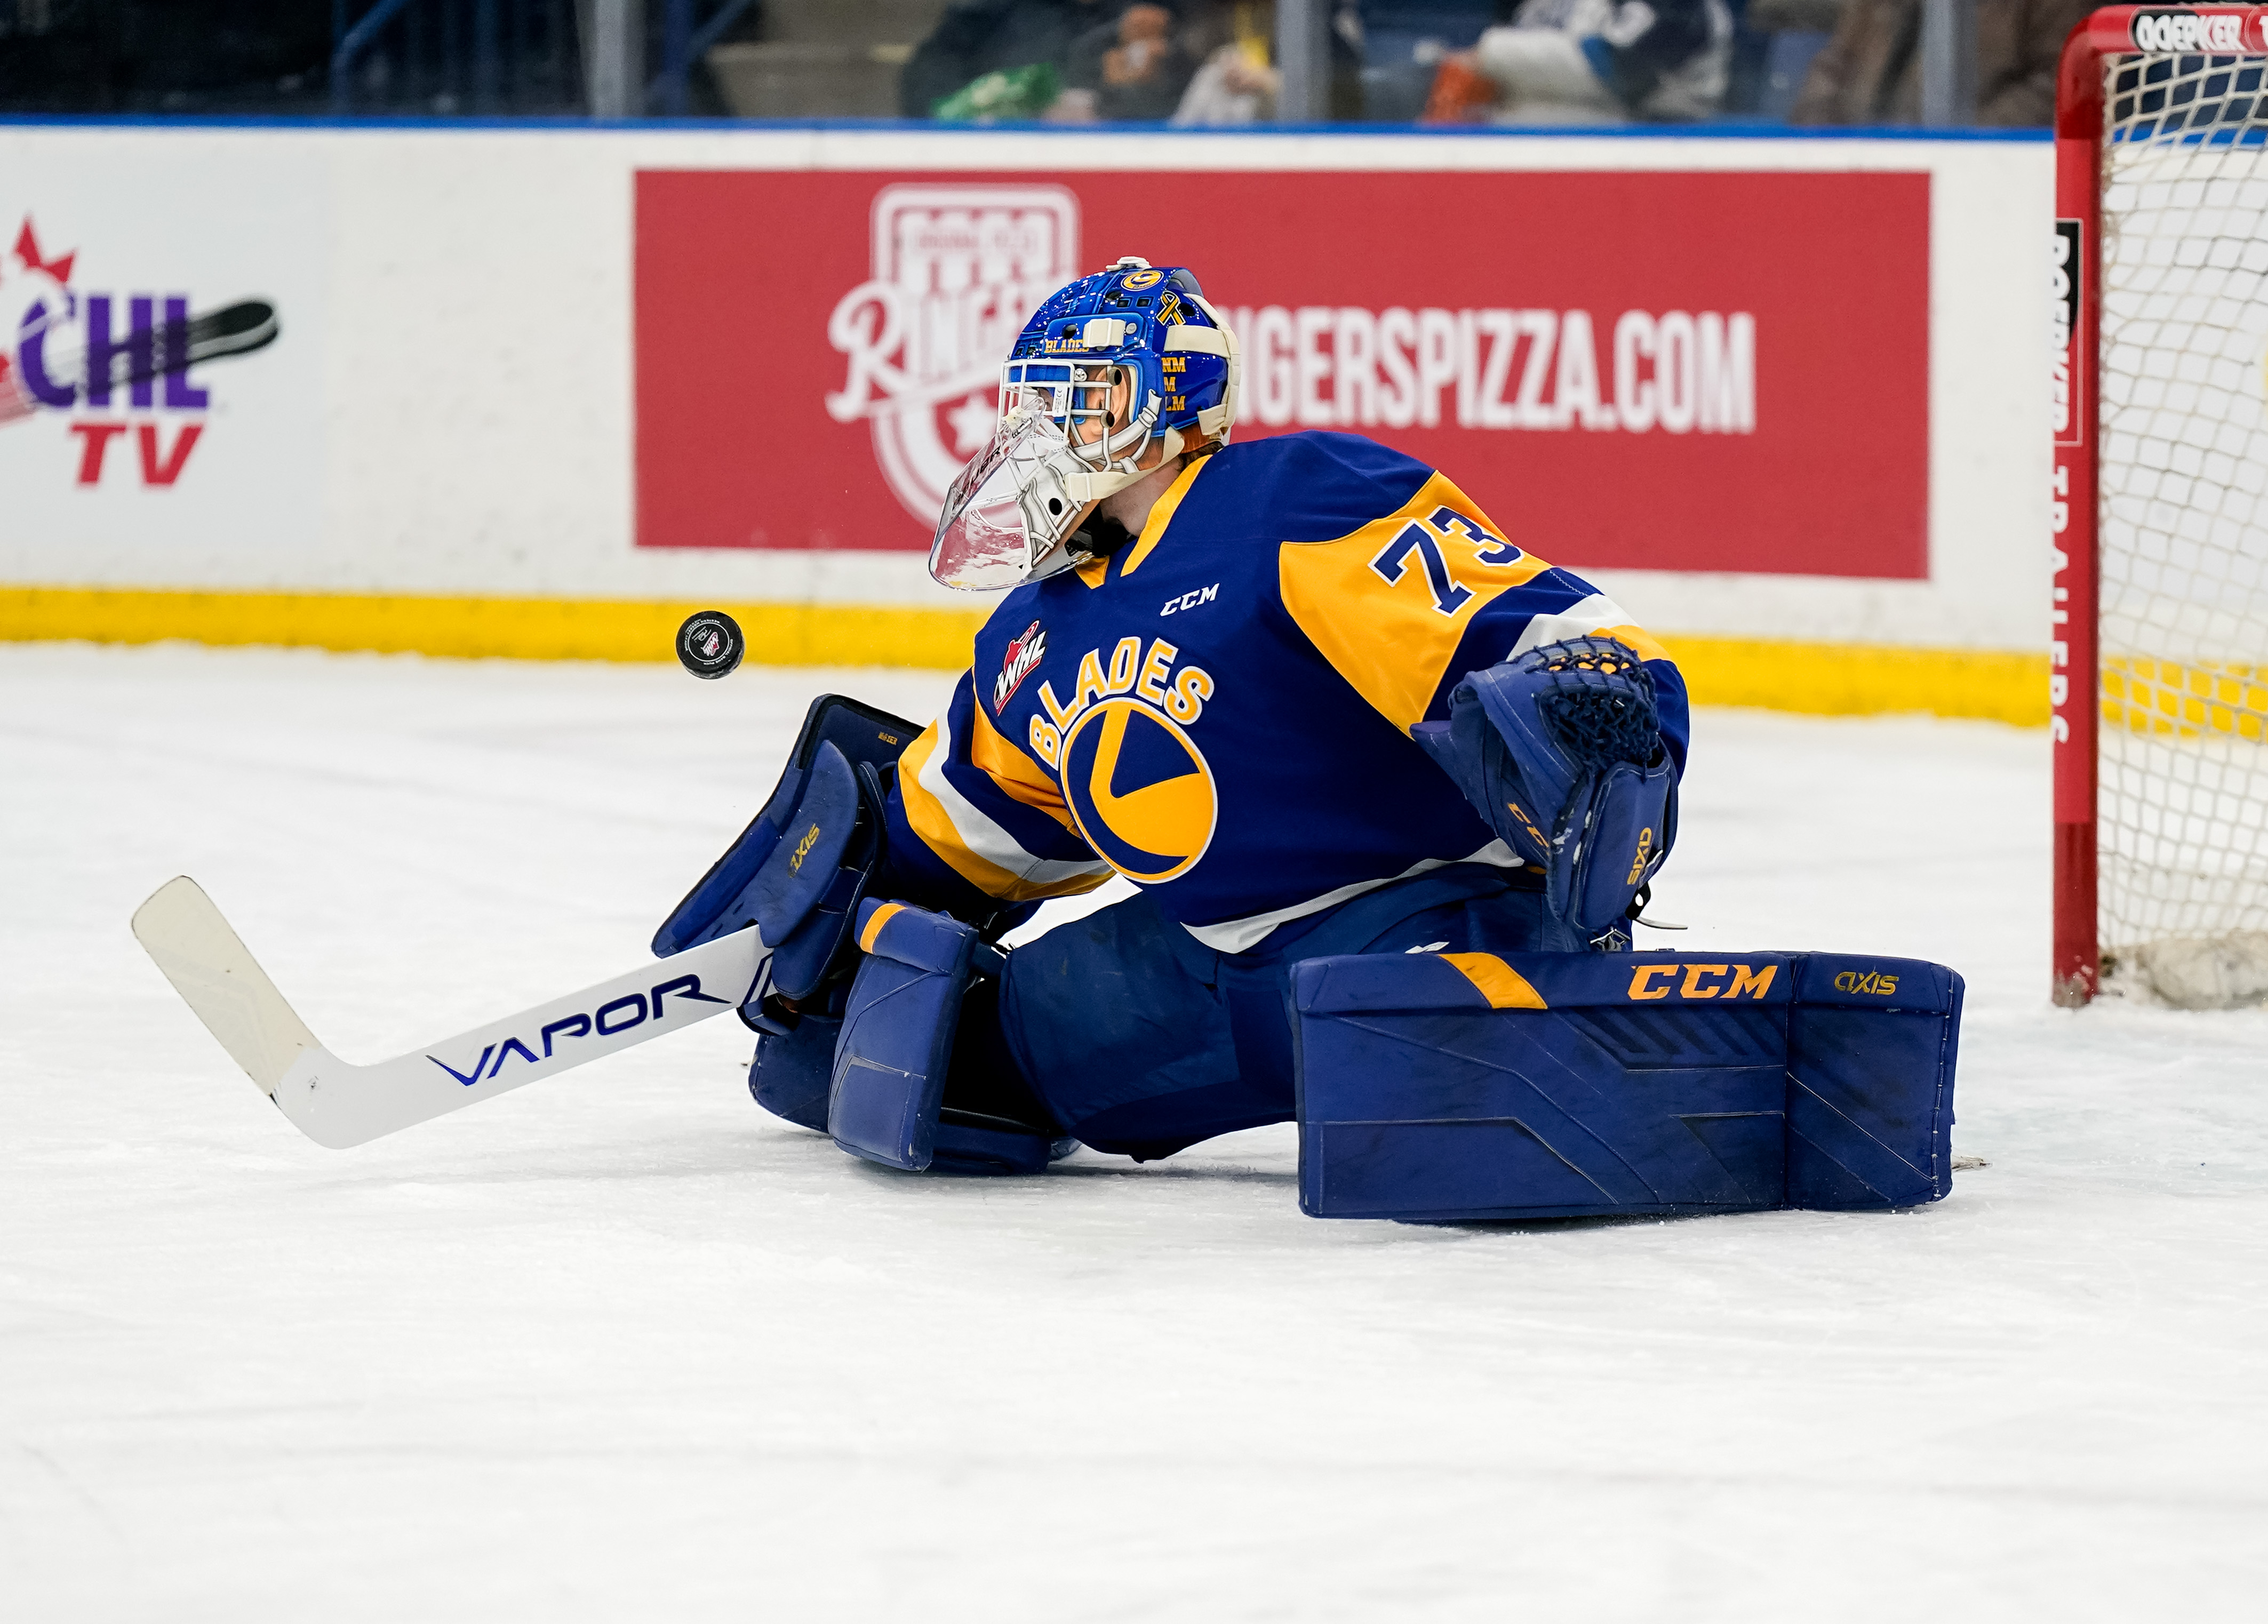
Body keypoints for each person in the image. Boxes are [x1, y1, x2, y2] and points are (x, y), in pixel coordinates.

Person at [659, 258, 1691, 1178]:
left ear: (1167, 400)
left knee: (1437, 1068)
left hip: (1417, 919)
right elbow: (976, 824)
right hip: (1200, 967)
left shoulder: (1296, 500)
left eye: (1077, 396)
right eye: (1032, 401)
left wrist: (1599, 728)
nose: (1043, 428)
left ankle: (1536, 1002)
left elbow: (1564, 651)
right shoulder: (1028, 634)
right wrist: (835, 897)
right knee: (880, 1069)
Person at [1789, 0, 2095, 125]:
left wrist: (1967, 140)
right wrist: (1822, 140)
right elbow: (1834, 65)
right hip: (1866, 169)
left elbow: (2065, 80)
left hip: (1994, 179)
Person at [1425, 0, 1734, 123]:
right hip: (1544, 163)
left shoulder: (1685, 7)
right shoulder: (1546, 5)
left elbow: (1620, 71)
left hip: (1653, 167)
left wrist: (1491, 54)